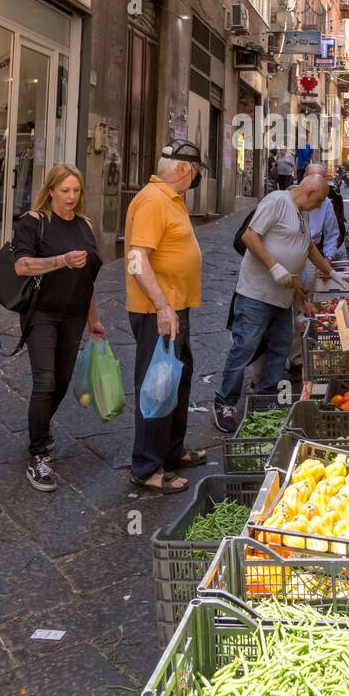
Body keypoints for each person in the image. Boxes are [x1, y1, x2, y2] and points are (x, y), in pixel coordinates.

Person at [214, 175, 344, 430]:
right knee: (244, 349)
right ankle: (224, 402)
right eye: (318, 201)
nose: (319, 207)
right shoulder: (277, 201)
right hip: (256, 294)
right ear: (310, 192)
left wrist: (331, 273)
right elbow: (250, 237)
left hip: (283, 297)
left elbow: (308, 249)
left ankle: (264, 400)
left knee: (280, 349)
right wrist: (274, 267)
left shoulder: (301, 213)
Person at [12, 164, 104, 493]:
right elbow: (22, 265)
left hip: (74, 314)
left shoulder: (86, 225)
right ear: (50, 191)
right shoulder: (34, 222)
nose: (70, 197)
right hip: (42, 313)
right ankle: (38, 455)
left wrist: (94, 320)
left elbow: (88, 277)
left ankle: (40, 428)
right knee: (45, 381)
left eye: (76, 191)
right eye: (64, 190)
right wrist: (62, 260)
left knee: (63, 381)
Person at [125, 142, 207, 495]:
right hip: (158, 312)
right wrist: (161, 305)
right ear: (186, 169)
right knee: (156, 388)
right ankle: (147, 468)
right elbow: (136, 258)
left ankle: (171, 452)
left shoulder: (170, 199)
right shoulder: (152, 200)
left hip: (175, 308)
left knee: (177, 380)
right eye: (198, 171)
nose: (198, 177)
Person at [286, 163, 343, 373]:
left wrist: (327, 261)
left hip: (310, 256)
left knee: (304, 304)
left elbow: (330, 232)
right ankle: (287, 351)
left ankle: (298, 356)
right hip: (289, 258)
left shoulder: (324, 202)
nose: (320, 201)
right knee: (287, 305)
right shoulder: (288, 201)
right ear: (308, 184)